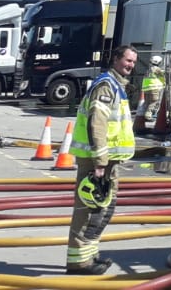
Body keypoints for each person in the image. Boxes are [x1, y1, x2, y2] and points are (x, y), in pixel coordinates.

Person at [65, 45, 138, 277]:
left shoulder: (117, 86)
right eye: (127, 60)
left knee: (102, 210)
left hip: (108, 161)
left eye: (133, 62)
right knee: (88, 209)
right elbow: (97, 124)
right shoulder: (106, 86)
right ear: (115, 59)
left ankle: (89, 256)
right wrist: (100, 160)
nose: (131, 65)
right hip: (98, 160)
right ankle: (78, 263)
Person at [134, 55, 165, 133]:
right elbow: (163, 74)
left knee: (147, 102)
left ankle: (145, 114)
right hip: (154, 88)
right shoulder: (156, 69)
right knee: (154, 101)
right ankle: (148, 115)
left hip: (147, 88)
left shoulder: (148, 70)